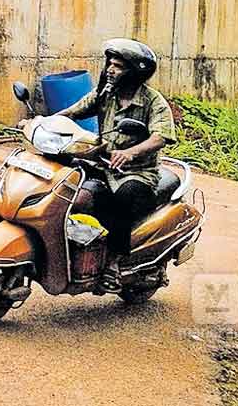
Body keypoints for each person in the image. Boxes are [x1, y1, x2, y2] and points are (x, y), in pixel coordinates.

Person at [55, 38, 177, 291]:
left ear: (134, 72)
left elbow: (161, 136)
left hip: (137, 173)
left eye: (118, 66)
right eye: (110, 63)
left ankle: (114, 260)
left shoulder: (153, 101)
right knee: (73, 193)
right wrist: (41, 122)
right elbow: (72, 112)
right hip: (103, 165)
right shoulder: (105, 94)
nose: (111, 69)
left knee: (124, 198)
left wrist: (131, 153)